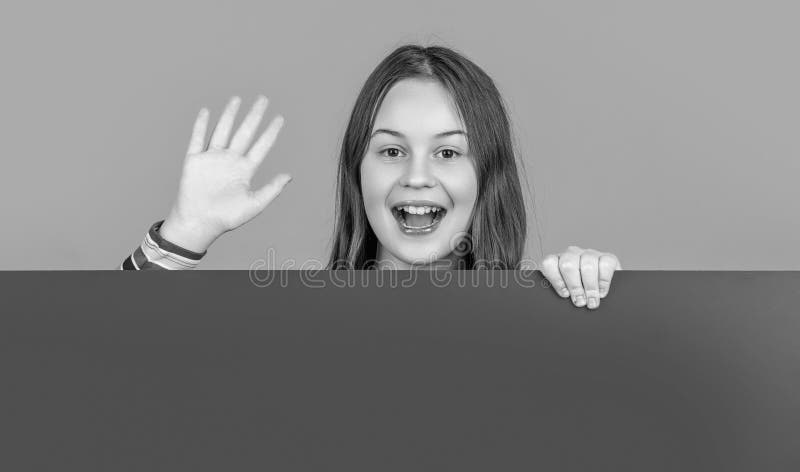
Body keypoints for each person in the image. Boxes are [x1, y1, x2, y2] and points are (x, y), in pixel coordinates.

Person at [120, 45, 621, 309]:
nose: (417, 176)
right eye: (392, 150)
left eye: (448, 152)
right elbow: (111, 377)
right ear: (358, 174)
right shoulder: (296, 330)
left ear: (487, 175)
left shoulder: (535, 328)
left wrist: (598, 301)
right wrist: (183, 236)